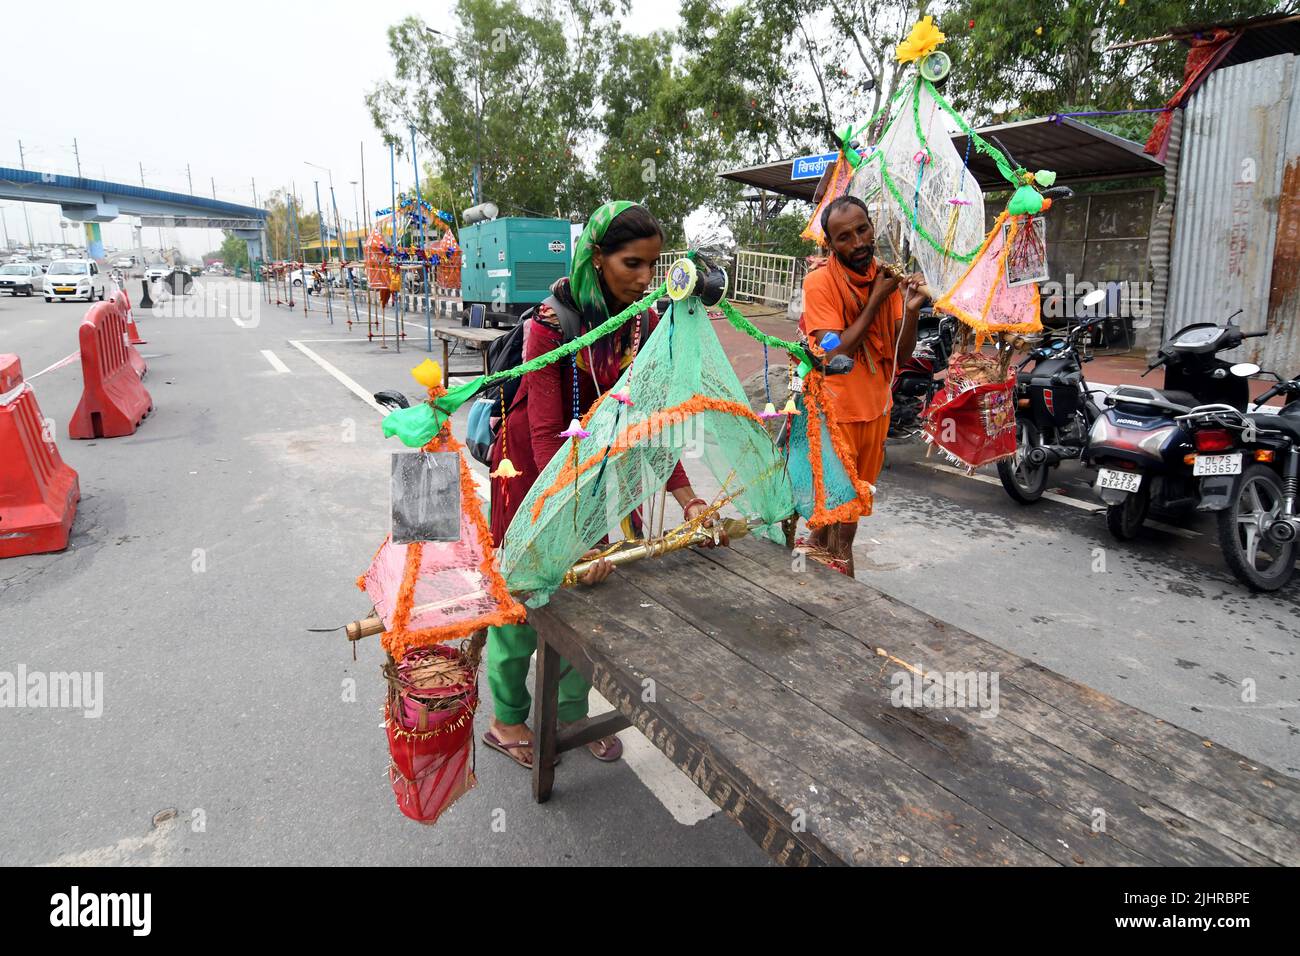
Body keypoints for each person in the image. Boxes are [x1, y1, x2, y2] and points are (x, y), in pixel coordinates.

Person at [485, 201, 716, 769]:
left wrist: (687, 498)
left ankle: (569, 715)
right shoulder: (548, 325)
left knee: (584, 597)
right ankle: (506, 718)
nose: (644, 279)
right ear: (596, 257)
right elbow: (544, 436)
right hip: (530, 474)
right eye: (630, 264)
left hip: (591, 466)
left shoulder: (644, 323)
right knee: (529, 593)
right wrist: (569, 531)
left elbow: (653, 421)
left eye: (653, 266)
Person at [798, 195, 926, 576]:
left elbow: (901, 356)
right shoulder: (820, 282)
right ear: (830, 244)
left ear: (872, 227)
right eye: (844, 237)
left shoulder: (885, 279)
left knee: (850, 511)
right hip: (834, 413)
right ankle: (841, 589)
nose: (857, 243)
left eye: (862, 230)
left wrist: (912, 310)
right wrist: (874, 303)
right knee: (839, 515)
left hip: (876, 411)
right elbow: (832, 353)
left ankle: (819, 580)